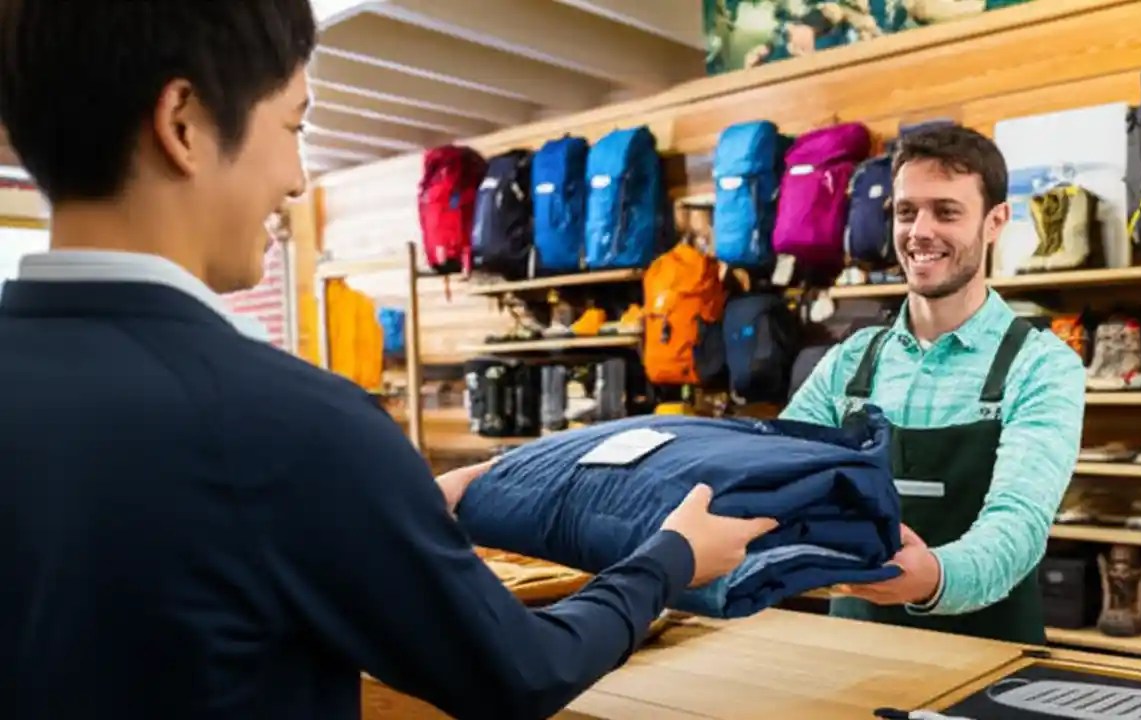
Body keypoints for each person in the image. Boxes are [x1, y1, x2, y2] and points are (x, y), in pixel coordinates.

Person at [0, 3, 778, 719]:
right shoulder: (299, 426)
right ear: (185, 124)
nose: (297, 180)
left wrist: (378, 510)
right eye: (294, 126)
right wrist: (668, 560)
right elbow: (520, 672)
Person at [783, 125, 1086, 645]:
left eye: (946, 212)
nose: (920, 231)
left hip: (986, 661)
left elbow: (1017, 528)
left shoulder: (1041, 364)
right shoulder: (851, 361)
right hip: (850, 654)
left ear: (995, 222)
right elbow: (778, 475)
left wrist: (931, 579)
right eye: (907, 211)